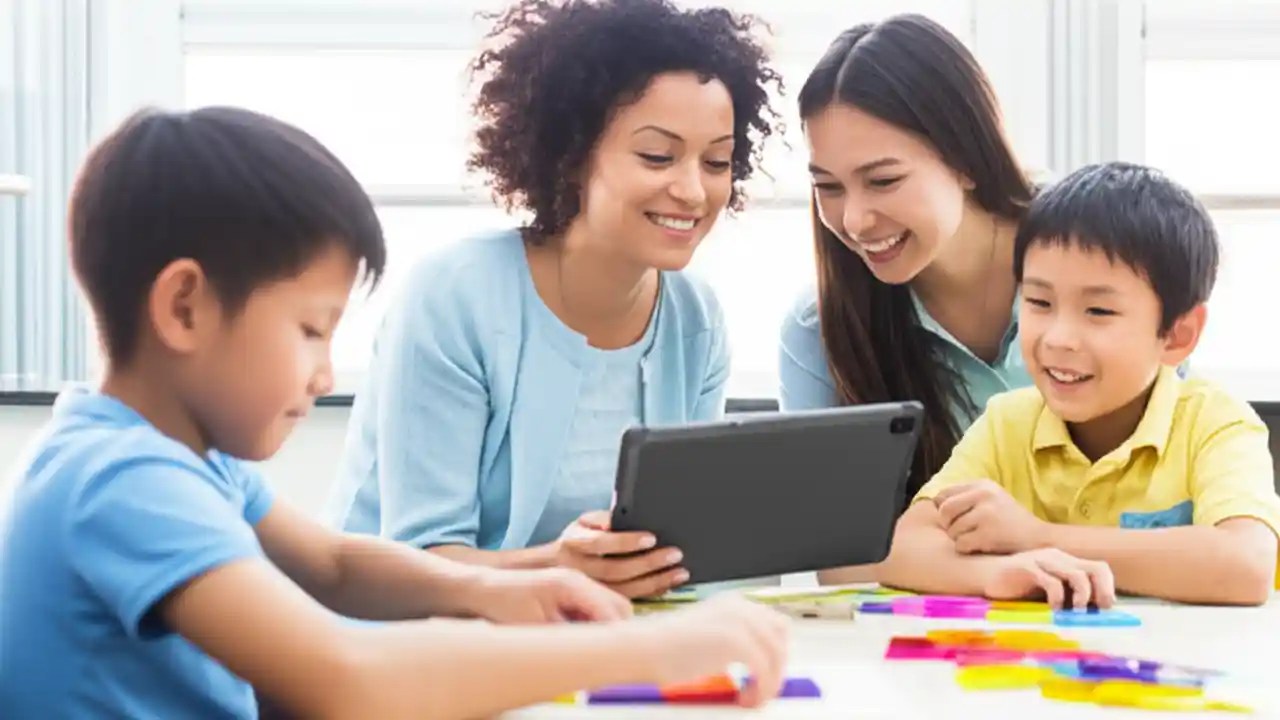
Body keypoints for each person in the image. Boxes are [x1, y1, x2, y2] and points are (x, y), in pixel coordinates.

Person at [0, 106, 791, 719]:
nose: (324, 372)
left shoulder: (182, 460)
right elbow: (346, 677)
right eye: (311, 329)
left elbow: (337, 568)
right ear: (184, 308)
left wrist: (490, 592)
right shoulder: (124, 482)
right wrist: (650, 652)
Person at [325, 0, 783, 598]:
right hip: (403, 634)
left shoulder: (695, 320)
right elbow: (421, 559)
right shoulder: (456, 297)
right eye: (656, 156)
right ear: (572, 156)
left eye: (717, 161)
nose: (694, 190)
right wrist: (556, 568)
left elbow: (676, 545)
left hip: (577, 641)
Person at [878, 162, 1280, 607]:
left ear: (1177, 334)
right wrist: (995, 573)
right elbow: (901, 548)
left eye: (1099, 312)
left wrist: (1037, 537)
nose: (1058, 338)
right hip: (1041, 668)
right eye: (1038, 302)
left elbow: (1247, 566)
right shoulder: (1008, 424)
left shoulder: (1216, 422)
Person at [778, 15, 1037, 583]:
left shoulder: (1103, 254)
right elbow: (834, 558)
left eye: (883, 180)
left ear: (965, 159)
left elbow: (1172, 493)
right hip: (935, 635)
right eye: (828, 186)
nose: (853, 219)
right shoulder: (817, 328)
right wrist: (1007, 573)